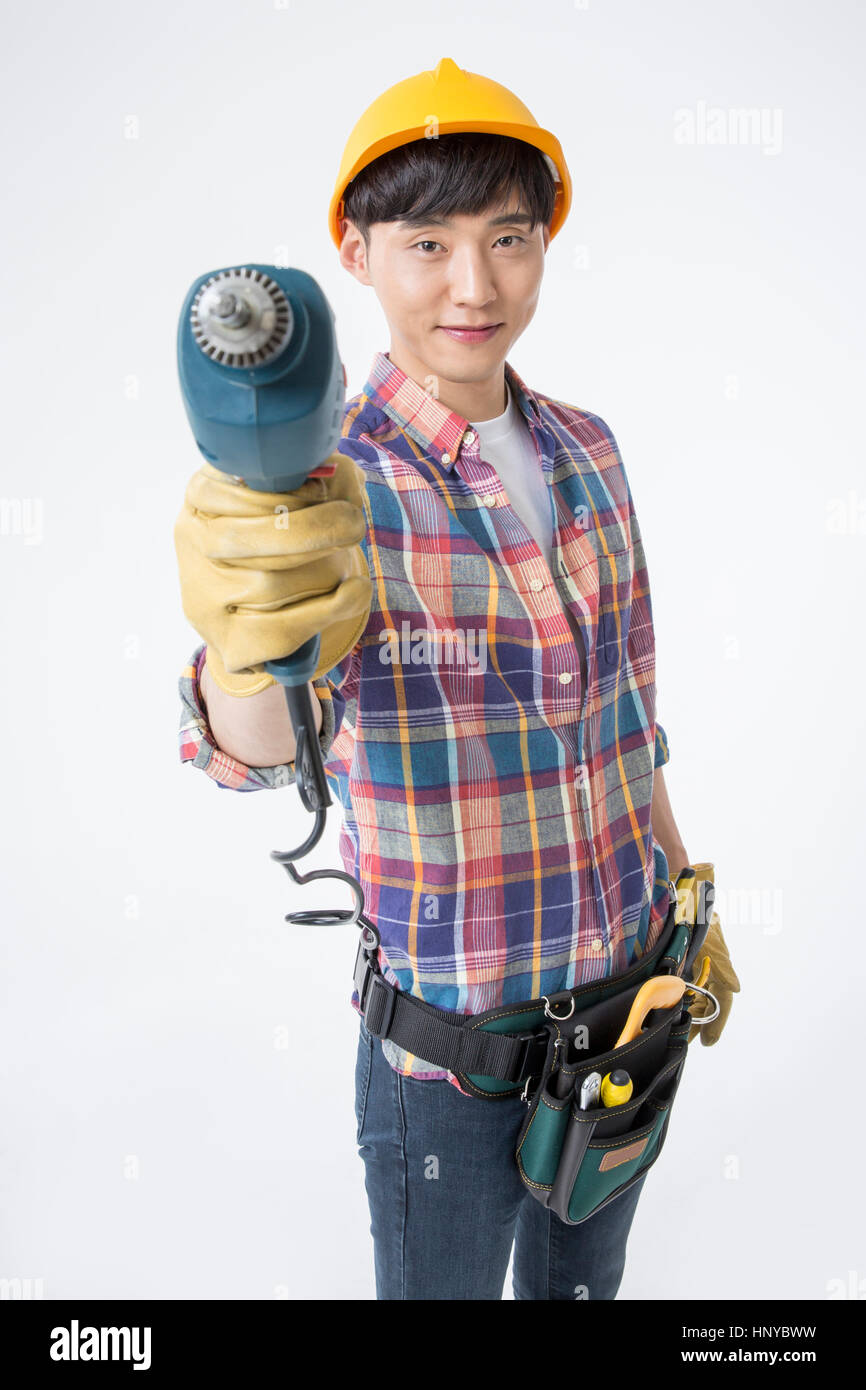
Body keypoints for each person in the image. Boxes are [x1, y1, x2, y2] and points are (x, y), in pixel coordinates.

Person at [173, 57, 738, 1300]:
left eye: (507, 237)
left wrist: (690, 903)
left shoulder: (588, 449)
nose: (472, 284)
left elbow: (624, 726)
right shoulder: (324, 488)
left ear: (544, 246)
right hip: (452, 1070)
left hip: (627, 1014)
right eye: (425, 241)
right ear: (357, 252)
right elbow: (250, 749)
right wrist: (240, 643)